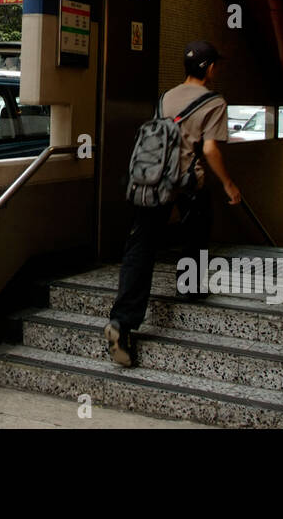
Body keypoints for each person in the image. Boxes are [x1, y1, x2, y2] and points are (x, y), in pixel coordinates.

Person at [104, 40, 243, 368]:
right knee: (200, 221)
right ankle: (190, 286)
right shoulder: (214, 101)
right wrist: (229, 183)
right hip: (185, 182)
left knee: (140, 248)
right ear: (209, 69)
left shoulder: (166, 96)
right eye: (216, 66)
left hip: (151, 181)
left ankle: (122, 322)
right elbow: (209, 150)